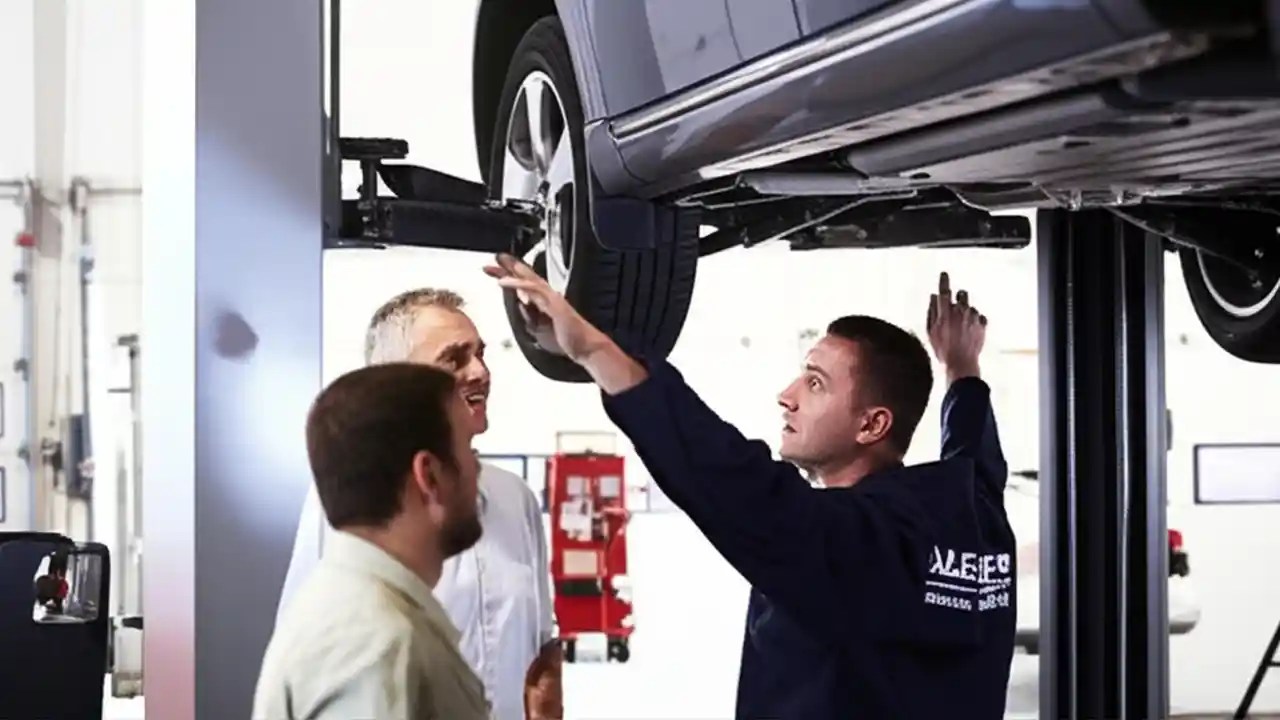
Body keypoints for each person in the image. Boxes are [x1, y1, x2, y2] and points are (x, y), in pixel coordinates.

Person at [486, 255, 1017, 719]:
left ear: (872, 426)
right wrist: (961, 368)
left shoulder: (849, 546)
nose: (787, 396)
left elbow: (731, 478)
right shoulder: (972, 512)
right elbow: (975, 457)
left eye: (815, 383)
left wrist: (594, 351)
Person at [275, 288, 562, 720]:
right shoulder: (346, 502)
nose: (480, 371)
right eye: (454, 358)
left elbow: (542, 652)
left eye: (481, 354)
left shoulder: (513, 499)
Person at [253, 362, 489, 719]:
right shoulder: (379, 645)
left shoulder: (361, 615)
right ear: (430, 476)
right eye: (468, 449)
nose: (477, 468)